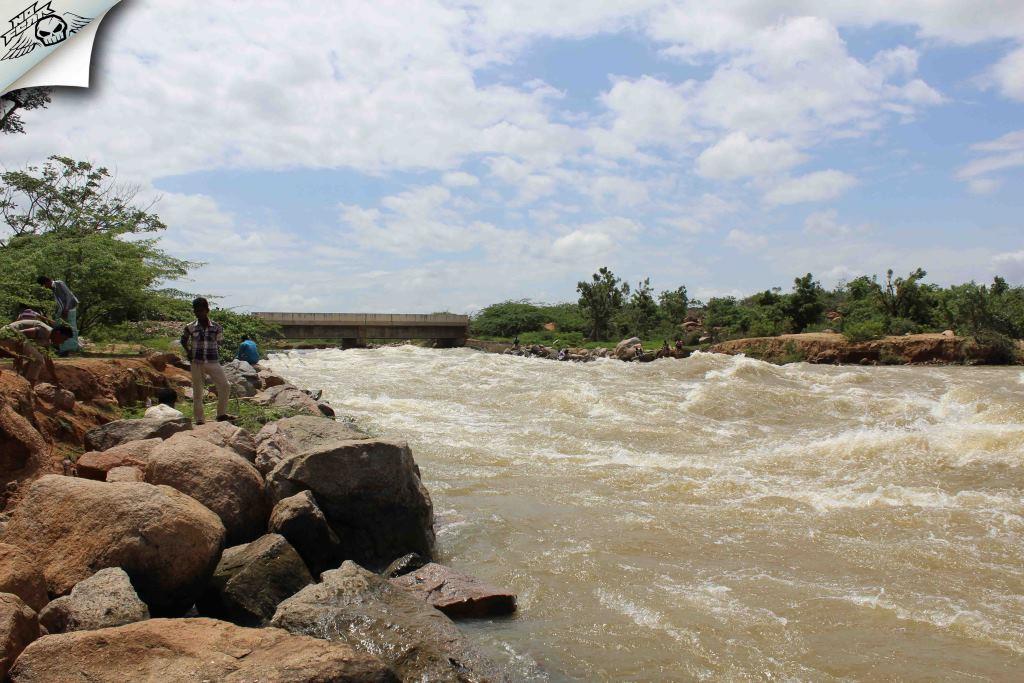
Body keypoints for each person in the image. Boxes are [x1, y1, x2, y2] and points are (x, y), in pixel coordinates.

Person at [179, 297, 235, 425]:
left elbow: (220, 341)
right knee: (197, 391)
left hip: (213, 361)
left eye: (201, 310)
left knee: (225, 386)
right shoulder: (190, 327)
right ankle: (199, 419)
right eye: (196, 311)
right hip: (196, 362)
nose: (198, 313)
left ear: (207, 310)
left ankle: (221, 414)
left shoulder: (217, 327)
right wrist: (188, 352)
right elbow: (183, 340)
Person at [0, 320, 72, 386]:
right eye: (64, 339)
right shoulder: (43, 331)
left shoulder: (47, 340)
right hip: (7, 335)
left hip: (9, 337)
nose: (62, 342)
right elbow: (20, 335)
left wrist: (56, 381)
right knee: (38, 360)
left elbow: (48, 362)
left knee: (34, 360)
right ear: (58, 333)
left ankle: (24, 384)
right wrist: (19, 357)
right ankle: (30, 388)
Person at [36, 276, 80, 354]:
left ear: (47, 282)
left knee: (70, 327)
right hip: (63, 309)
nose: (45, 287)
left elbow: (68, 296)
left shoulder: (59, 283)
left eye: (44, 285)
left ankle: (71, 349)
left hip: (70, 308)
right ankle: (63, 348)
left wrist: (66, 309)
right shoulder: (52, 289)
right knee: (60, 327)